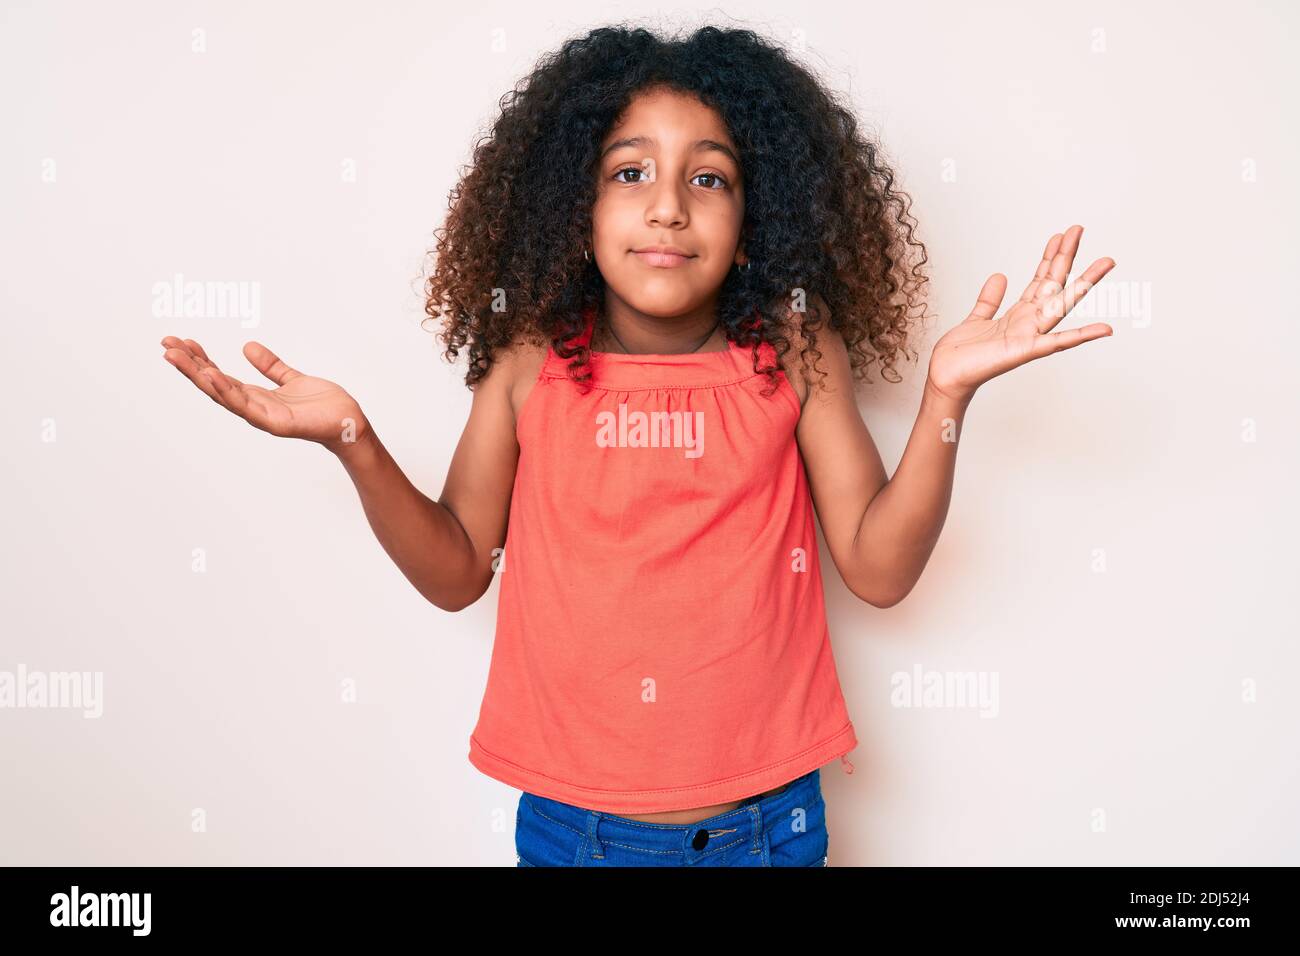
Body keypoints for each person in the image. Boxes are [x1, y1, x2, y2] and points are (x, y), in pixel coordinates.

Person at [159, 25, 1114, 867]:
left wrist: (947, 394)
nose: (668, 207)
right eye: (630, 173)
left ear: (752, 226)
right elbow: (458, 568)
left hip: (770, 831)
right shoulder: (531, 360)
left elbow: (878, 566)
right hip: (576, 836)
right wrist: (354, 440)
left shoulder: (793, 347)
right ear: (577, 211)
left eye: (708, 177)